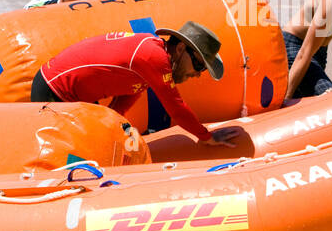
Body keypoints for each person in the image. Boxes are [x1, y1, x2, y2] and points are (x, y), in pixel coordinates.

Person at [30, 21, 236, 144]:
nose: (198, 74)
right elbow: (176, 108)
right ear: (181, 49)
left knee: (103, 143)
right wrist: (207, 137)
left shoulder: (151, 59)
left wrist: (114, 125)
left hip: (73, 97)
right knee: (75, 157)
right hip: (54, 90)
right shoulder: (154, 57)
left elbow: (128, 95)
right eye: (199, 65)